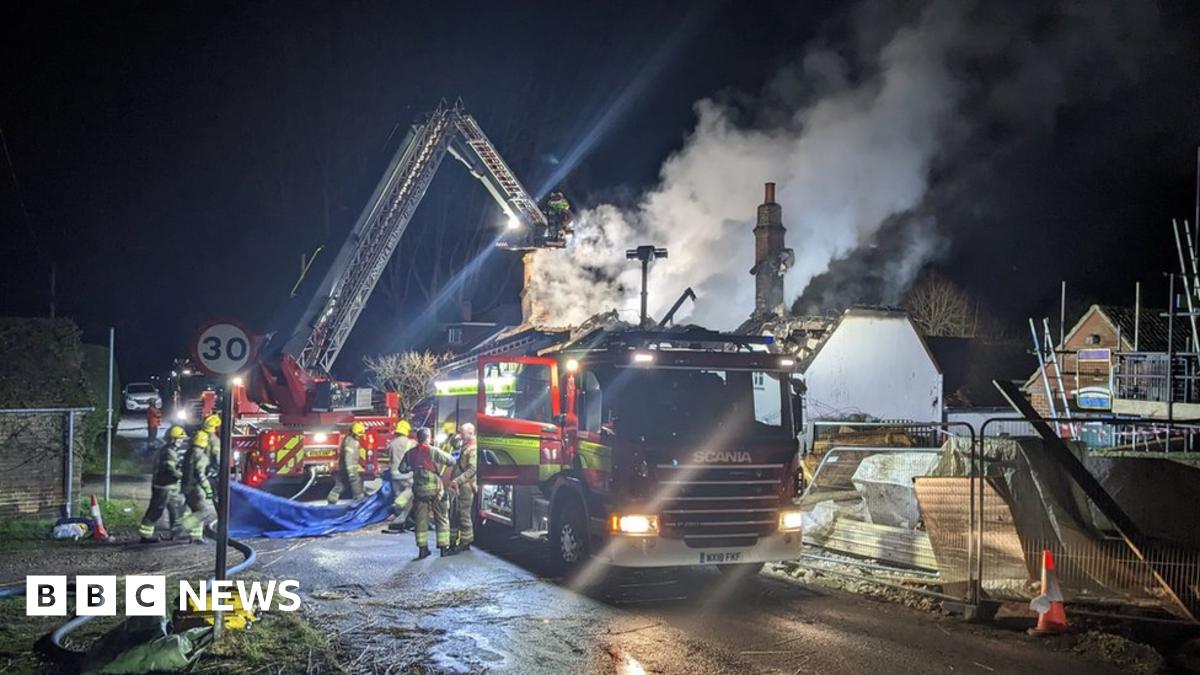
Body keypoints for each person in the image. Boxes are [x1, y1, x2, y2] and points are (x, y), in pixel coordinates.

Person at [398, 427, 455, 559]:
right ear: (428, 437)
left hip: (419, 491)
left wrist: (414, 467)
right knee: (441, 517)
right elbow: (451, 461)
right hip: (436, 490)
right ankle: (443, 548)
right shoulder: (432, 451)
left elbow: (402, 469)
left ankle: (423, 550)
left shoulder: (410, 453)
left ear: (418, 438)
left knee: (420, 520)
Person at [137, 425, 187, 543]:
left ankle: (176, 534)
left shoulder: (170, 450)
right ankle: (145, 535)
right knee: (156, 510)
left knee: (176, 509)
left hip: (169, 486)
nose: (182, 441)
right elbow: (170, 469)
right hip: (163, 487)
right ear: (172, 439)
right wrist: (183, 476)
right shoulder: (168, 452)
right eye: (180, 439)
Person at [180, 424, 216, 544]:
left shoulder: (189, 452)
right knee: (205, 511)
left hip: (186, 486)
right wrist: (208, 490)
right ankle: (182, 526)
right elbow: (201, 475)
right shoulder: (201, 455)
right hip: (196, 488)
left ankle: (196, 537)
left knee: (196, 510)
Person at [448, 422, 478, 552]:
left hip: (466, 486)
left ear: (470, 433)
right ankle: (453, 542)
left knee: (463, 514)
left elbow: (473, 469)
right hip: (459, 485)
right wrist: (456, 438)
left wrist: (458, 480)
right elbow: (453, 445)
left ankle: (466, 542)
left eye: (463, 432)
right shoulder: (465, 444)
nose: (460, 434)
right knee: (455, 513)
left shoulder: (473, 448)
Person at [385, 419, 415, 532]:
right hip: (406, 474)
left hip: (394, 474)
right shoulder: (410, 443)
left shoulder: (391, 443)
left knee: (397, 494)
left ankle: (400, 519)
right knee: (410, 493)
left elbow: (389, 456)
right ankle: (401, 511)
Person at [327, 421, 366, 504]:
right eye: (359, 435)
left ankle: (331, 502)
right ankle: (359, 504)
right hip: (349, 469)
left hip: (344, 469)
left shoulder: (348, 439)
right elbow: (349, 458)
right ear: (354, 433)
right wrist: (351, 472)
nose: (360, 437)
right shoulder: (352, 442)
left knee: (341, 485)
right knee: (357, 486)